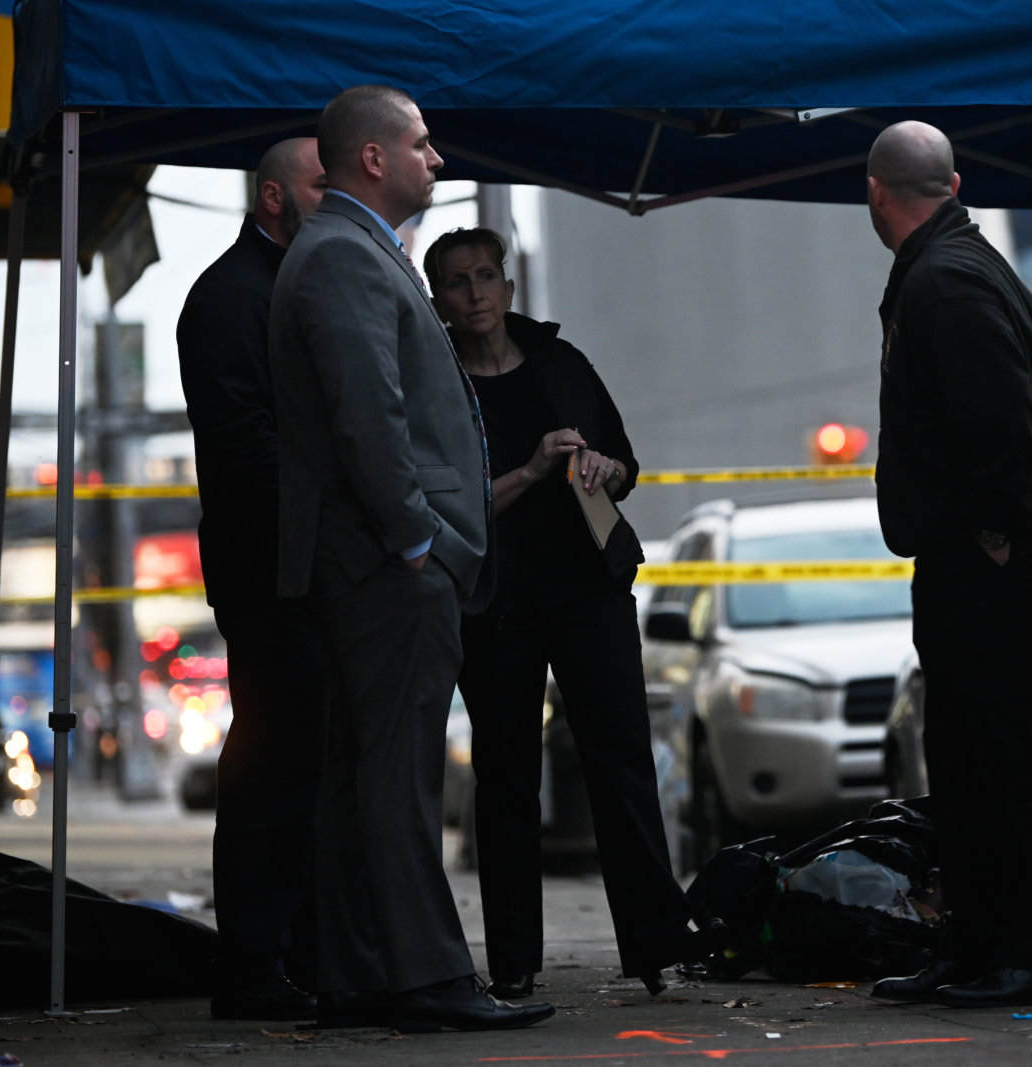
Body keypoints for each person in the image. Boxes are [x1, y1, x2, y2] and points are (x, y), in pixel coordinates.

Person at [268, 86, 551, 1033]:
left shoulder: (348, 253)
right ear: (374, 160)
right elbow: (370, 418)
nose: (439, 159)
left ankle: (359, 975)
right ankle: (428, 978)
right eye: (422, 145)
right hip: (387, 563)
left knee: (363, 774)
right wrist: (418, 539)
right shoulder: (344, 258)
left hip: (376, 558)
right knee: (398, 775)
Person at [422, 226, 726, 998]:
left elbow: (626, 463)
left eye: (488, 275)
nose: (477, 292)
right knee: (506, 774)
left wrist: (600, 465)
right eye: (458, 282)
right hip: (495, 604)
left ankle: (657, 939)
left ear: (510, 287)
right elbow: (447, 507)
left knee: (620, 759)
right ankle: (515, 959)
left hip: (586, 590)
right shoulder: (436, 383)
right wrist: (529, 470)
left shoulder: (562, 363)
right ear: (440, 301)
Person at [863, 121, 1032, 1008]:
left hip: (1000, 548)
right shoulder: (952, 266)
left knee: (1003, 751)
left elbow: (1008, 433)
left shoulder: (948, 281)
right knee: (968, 750)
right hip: (982, 545)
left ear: (876, 192)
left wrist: (996, 535)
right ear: (954, 182)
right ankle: (976, 947)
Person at [176, 137, 329, 1021]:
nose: (336, 193)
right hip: (271, 571)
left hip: (294, 564)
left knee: (296, 764)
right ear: (275, 196)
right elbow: (246, 448)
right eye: (320, 181)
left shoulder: (276, 284)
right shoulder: (234, 296)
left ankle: (289, 955)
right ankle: (258, 964)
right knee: (274, 767)